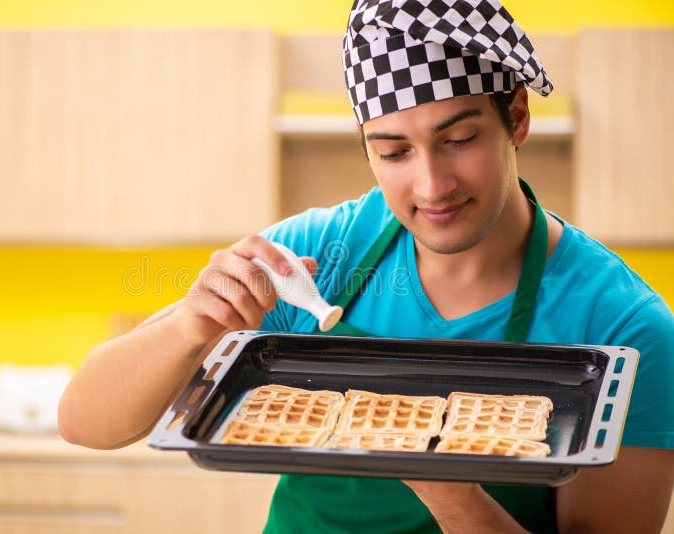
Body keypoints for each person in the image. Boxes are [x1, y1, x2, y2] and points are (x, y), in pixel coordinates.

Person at [58, 1, 674, 532]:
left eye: (458, 140)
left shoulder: (625, 326)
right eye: (394, 151)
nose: (431, 186)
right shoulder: (316, 256)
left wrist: (443, 480)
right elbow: (84, 422)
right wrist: (193, 322)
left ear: (515, 117)